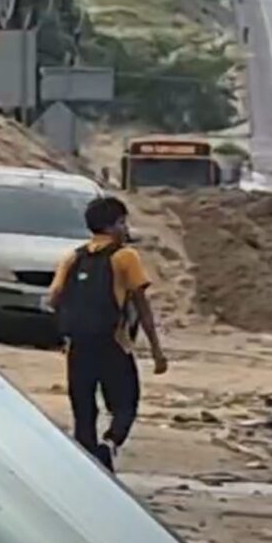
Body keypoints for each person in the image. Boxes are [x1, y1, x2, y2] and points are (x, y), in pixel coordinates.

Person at [48, 196, 168, 473]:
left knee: (84, 409)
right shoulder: (125, 257)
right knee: (126, 403)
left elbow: (54, 298)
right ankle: (110, 443)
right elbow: (142, 307)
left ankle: (86, 467)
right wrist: (156, 352)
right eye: (123, 222)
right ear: (113, 226)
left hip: (77, 346)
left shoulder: (73, 257)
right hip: (112, 343)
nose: (126, 229)